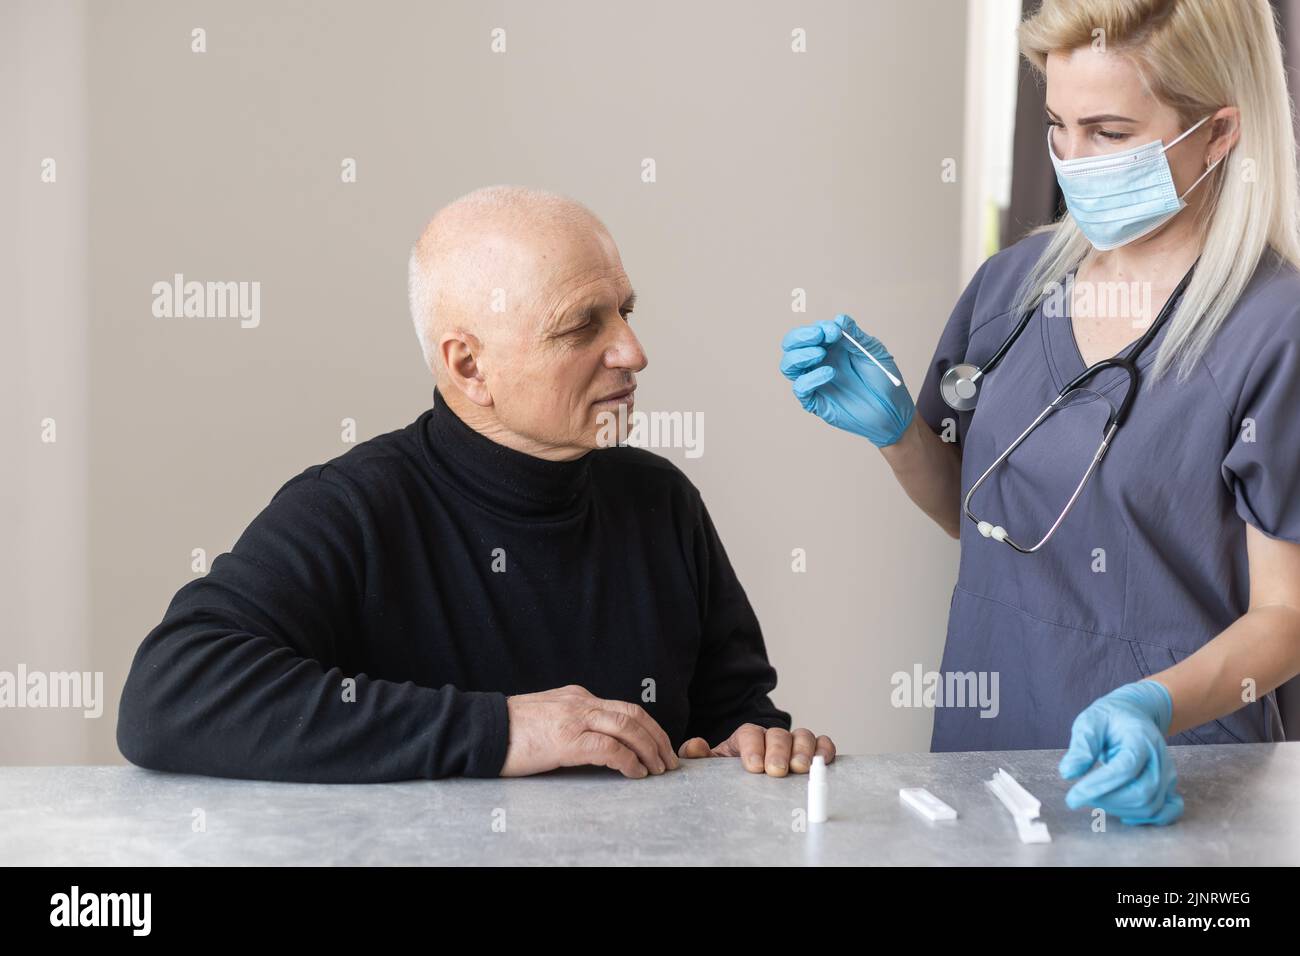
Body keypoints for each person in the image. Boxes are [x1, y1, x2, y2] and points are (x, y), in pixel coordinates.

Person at [780, 0, 1300, 825]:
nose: (1073, 158)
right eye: (1058, 124)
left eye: (1111, 132)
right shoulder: (1012, 289)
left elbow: (1287, 615)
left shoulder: (1276, 329)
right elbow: (983, 515)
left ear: (1221, 131)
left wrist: (1152, 708)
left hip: (1171, 774)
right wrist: (898, 436)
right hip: (982, 758)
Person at [118, 185, 834, 782]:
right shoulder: (353, 509)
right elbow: (169, 697)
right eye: (582, 326)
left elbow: (737, 714)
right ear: (468, 367)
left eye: (626, 311)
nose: (633, 352)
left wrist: (758, 746)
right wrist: (501, 730)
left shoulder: (661, 501)